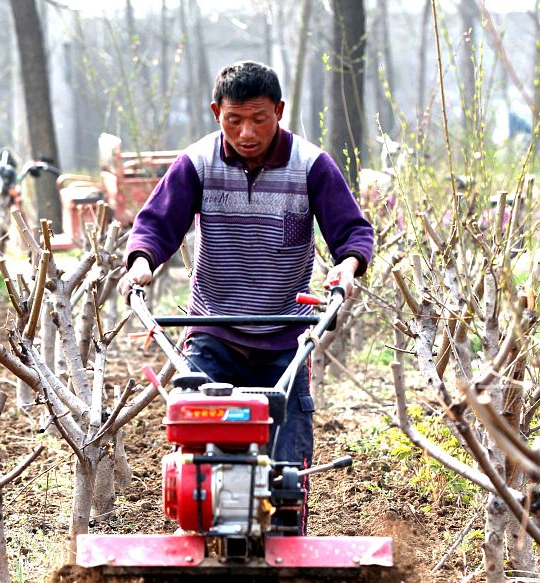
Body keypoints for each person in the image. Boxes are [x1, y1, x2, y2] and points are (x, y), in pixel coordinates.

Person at [118, 60, 374, 469]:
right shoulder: (198, 162)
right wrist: (141, 262)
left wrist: (348, 264)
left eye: (259, 119)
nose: (247, 133)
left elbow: (351, 232)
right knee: (198, 454)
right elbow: (158, 223)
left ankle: (285, 527)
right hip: (213, 331)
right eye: (234, 120)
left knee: (285, 465)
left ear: (279, 111)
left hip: (284, 337)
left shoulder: (311, 165)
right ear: (217, 112)